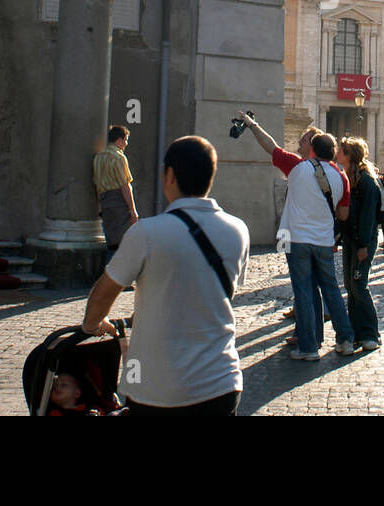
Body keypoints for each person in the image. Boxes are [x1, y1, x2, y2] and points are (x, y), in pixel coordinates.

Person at [82, 136, 250, 413]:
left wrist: (92, 325)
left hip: (159, 391)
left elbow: (104, 292)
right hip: (222, 384)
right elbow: (204, 290)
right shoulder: (238, 230)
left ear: (170, 175)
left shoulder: (146, 232)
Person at [238, 114, 354, 358]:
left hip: (298, 239)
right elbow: (343, 214)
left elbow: (271, 146)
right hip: (324, 240)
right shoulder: (341, 176)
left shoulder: (297, 167)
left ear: (312, 148)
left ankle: (309, 347)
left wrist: (252, 124)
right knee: (332, 291)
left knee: (303, 292)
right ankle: (346, 340)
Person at [338, 137, 382, 351]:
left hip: (363, 241)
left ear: (349, 155)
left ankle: (371, 333)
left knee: (359, 285)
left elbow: (367, 217)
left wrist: (364, 244)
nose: (337, 153)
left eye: (341, 150)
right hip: (350, 240)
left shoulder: (366, 181)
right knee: (350, 285)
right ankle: (356, 331)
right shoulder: (348, 178)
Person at [93, 124, 138, 262]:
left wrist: (101, 206)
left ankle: (114, 278)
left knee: (112, 243)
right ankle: (119, 279)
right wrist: (132, 210)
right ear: (119, 140)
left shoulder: (98, 157)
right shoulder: (119, 158)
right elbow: (125, 186)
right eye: (125, 140)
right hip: (118, 202)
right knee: (123, 244)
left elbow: (97, 184)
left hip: (105, 203)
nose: (126, 144)